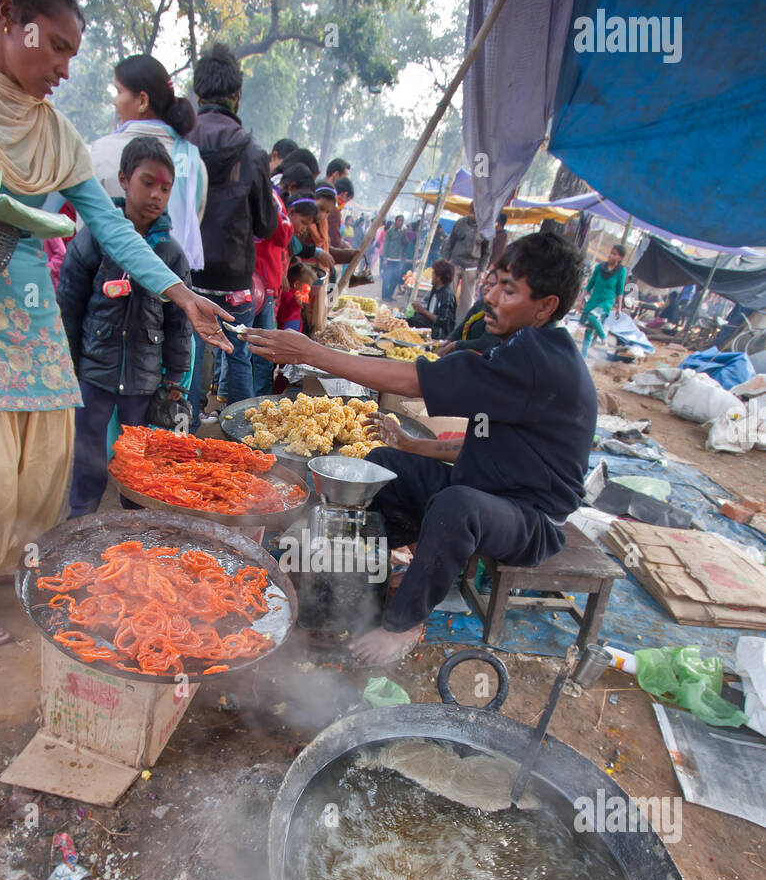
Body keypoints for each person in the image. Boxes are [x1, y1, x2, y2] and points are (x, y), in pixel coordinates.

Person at [0, 0, 231, 649]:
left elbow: (109, 223)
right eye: (56, 46)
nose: (65, 69)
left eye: (74, 54)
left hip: (27, 302)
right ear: (7, 19)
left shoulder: (52, 133)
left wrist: (181, 295)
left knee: (44, 465)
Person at [246, 232, 595, 666]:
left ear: (546, 306)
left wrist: (315, 353)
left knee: (456, 506)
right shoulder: (515, 347)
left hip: (530, 518)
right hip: (487, 486)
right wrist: (413, 447)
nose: (490, 297)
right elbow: (489, 441)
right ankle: (358, 573)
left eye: (509, 290)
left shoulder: (540, 360)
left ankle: (404, 622)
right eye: (494, 282)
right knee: (383, 465)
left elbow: (414, 380)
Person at [57, 137, 191, 516]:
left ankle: (136, 520)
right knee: (88, 449)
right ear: (123, 179)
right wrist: (67, 366)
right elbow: (69, 306)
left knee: (139, 456)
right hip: (94, 369)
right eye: (147, 182)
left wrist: (176, 376)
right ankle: (81, 513)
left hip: (144, 377)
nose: (156, 195)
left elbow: (179, 323)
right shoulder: (94, 240)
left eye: (165, 188)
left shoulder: (170, 254)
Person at [186, 42, 278, 408]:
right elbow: (265, 225)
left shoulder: (180, 144)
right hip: (235, 281)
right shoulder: (252, 152)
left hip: (185, 278)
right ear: (237, 96)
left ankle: (181, 437)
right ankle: (242, 444)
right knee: (237, 356)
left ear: (197, 93)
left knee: (188, 356)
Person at [87, 53, 206, 280]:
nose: (114, 101)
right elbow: (194, 224)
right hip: (173, 287)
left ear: (142, 101)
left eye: (119, 91)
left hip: (106, 289)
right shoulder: (194, 162)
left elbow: (86, 233)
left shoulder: (99, 152)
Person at [251, 181, 294, 395]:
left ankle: (231, 402)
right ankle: (258, 401)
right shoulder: (271, 199)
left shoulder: (235, 192)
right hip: (262, 282)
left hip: (241, 283)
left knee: (237, 350)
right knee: (263, 349)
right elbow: (285, 235)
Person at [437, 265, 502, 356]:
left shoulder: (501, 313)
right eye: (486, 284)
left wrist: (454, 345)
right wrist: (447, 341)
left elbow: (484, 343)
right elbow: (461, 327)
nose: (486, 288)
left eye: (492, 285)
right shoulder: (480, 304)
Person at [580, 243, 626, 355]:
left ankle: (603, 337)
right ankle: (583, 356)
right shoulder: (599, 267)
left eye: (614, 254)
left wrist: (619, 308)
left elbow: (620, 291)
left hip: (607, 301)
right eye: (611, 253)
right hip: (594, 298)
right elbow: (591, 283)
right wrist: (582, 297)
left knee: (593, 317)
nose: (611, 255)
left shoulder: (621, 271)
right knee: (588, 331)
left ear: (620, 258)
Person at [443, 205, 484, 313]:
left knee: (467, 300)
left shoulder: (485, 228)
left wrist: (482, 271)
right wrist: (445, 261)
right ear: (470, 212)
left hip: (472, 267)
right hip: (455, 263)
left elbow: (487, 252)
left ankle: (462, 325)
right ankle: (446, 317)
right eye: (473, 213)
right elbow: (450, 242)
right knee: (449, 294)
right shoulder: (460, 223)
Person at [408, 259, 457, 340]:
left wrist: (423, 311)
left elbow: (445, 321)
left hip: (439, 333)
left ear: (439, 277)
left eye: (433, 274)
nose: (431, 276)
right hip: (430, 326)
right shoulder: (435, 290)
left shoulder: (447, 294)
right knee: (411, 319)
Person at [381, 214, 408, 299]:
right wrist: (385, 258)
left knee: (395, 279)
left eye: (402, 221)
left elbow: (406, 244)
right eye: (399, 220)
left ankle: (390, 295)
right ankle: (384, 296)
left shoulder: (402, 232)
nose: (400, 222)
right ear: (395, 221)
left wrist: (404, 235)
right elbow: (385, 245)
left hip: (397, 260)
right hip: (389, 259)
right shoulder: (390, 231)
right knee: (386, 279)